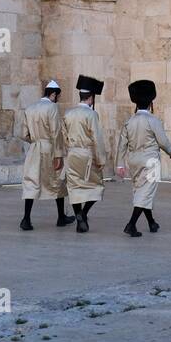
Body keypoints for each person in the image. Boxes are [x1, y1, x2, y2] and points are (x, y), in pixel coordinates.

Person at [116, 79, 171, 237]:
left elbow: (122, 145)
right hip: (150, 162)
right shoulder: (153, 120)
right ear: (151, 103)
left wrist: (120, 164)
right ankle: (131, 224)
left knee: (141, 191)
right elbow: (163, 141)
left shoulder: (129, 122)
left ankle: (151, 222)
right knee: (146, 193)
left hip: (134, 160)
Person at [16, 80, 74, 230]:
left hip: (34, 149)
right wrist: (59, 155)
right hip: (50, 148)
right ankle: (61, 217)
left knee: (31, 181)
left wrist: (35, 140)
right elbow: (56, 133)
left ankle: (26, 219)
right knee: (58, 181)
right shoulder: (52, 107)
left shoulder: (30, 108)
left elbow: (23, 134)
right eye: (57, 96)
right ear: (53, 94)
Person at [63, 75, 106, 233]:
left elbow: (64, 135)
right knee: (96, 186)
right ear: (91, 98)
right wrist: (101, 158)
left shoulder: (68, 113)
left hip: (72, 153)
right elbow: (97, 138)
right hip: (87, 154)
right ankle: (83, 213)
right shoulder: (91, 115)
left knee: (74, 187)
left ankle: (79, 217)